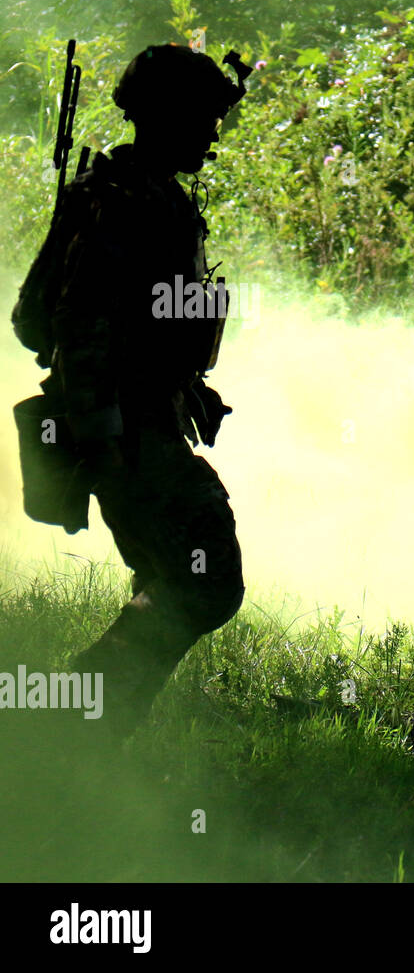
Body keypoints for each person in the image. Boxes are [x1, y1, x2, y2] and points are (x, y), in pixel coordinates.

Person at [39, 43, 250, 735]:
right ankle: (74, 706)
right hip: (122, 433)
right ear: (167, 118)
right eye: (204, 118)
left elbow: (136, 323)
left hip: (140, 422)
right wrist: (103, 437)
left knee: (171, 577)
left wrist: (184, 386)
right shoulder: (127, 207)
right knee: (206, 577)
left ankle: (91, 735)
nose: (214, 133)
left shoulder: (149, 196)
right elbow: (78, 323)